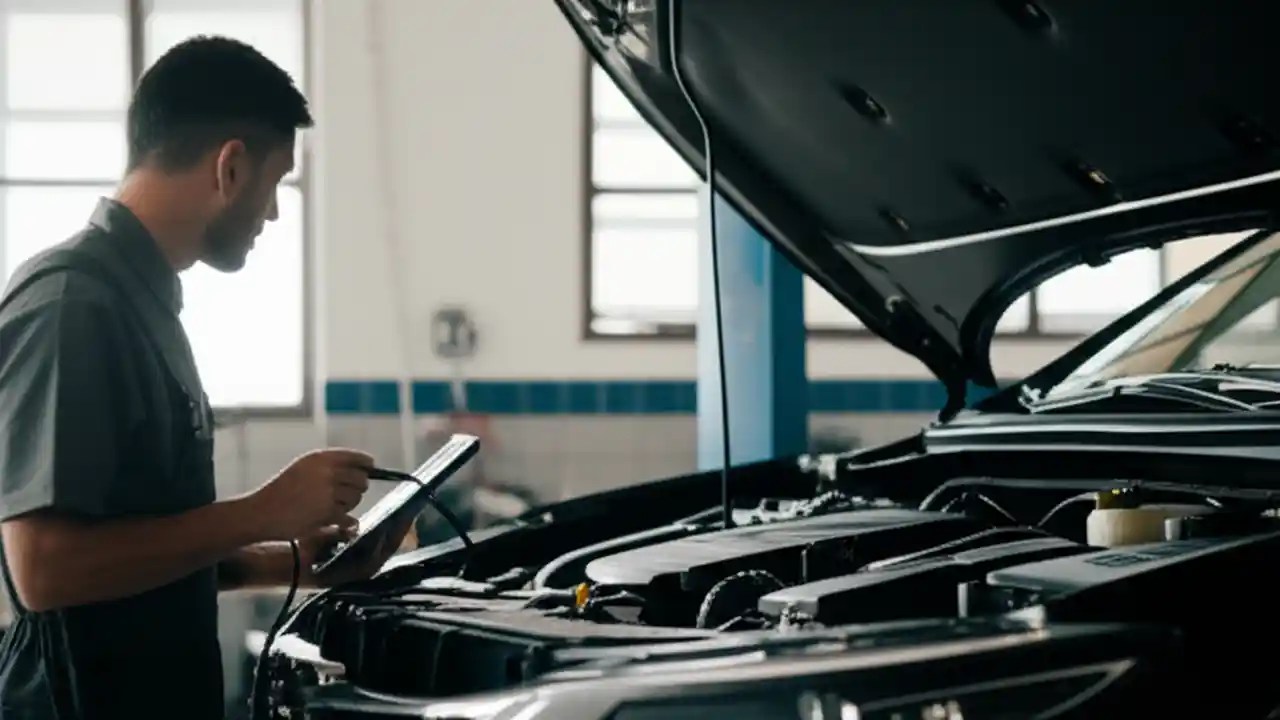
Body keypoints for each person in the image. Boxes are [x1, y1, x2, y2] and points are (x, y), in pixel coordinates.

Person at [0, 36, 414, 719]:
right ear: (229, 166)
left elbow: (140, 550)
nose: (273, 213)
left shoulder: (144, 303)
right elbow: (47, 571)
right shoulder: (73, 303)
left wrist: (288, 561)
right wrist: (264, 510)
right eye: (275, 182)